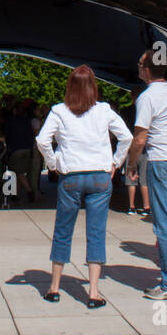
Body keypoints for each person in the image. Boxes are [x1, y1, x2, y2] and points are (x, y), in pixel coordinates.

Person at [35, 65, 132, 307]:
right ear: (93, 87)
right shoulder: (104, 110)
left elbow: (42, 140)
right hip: (100, 175)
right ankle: (93, 292)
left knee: (63, 231)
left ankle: (54, 287)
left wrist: (53, 162)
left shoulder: (59, 111)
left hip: (71, 176)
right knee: (96, 233)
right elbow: (126, 137)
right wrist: (115, 162)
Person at [129, 50, 167, 300]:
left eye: (139, 63)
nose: (138, 66)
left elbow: (140, 137)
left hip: (161, 161)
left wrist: (131, 164)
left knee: (164, 225)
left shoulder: (147, 97)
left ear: (146, 69)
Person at [3, 97, 41, 202]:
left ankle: (29, 191)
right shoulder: (27, 121)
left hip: (16, 149)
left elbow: (6, 135)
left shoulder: (11, 121)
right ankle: (16, 194)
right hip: (27, 149)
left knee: (17, 171)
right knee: (20, 171)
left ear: (15, 110)